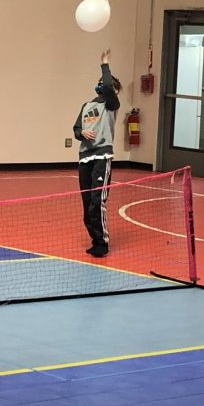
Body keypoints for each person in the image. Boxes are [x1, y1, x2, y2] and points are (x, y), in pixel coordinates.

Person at [72, 50, 122, 256]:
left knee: (96, 200)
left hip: (102, 156)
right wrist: (81, 132)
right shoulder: (87, 106)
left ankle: (102, 243)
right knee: (86, 203)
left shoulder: (112, 105)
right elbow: (76, 129)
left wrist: (105, 63)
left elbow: (110, 88)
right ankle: (94, 238)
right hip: (85, 158)